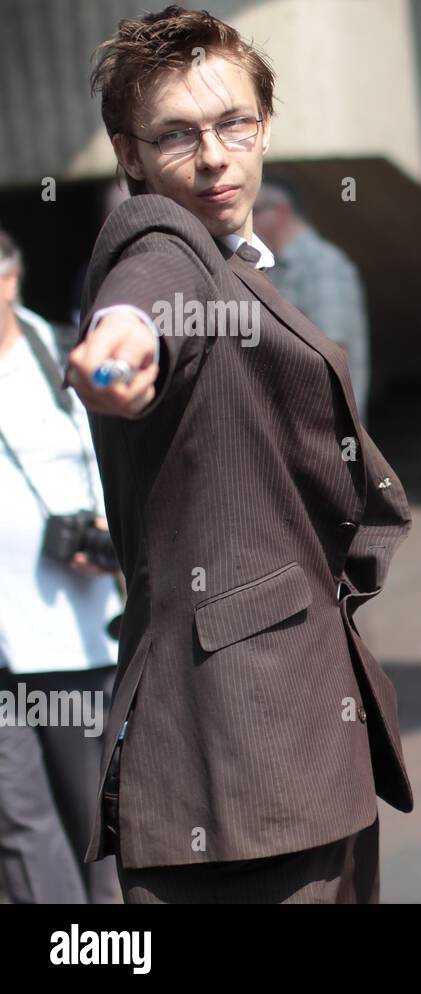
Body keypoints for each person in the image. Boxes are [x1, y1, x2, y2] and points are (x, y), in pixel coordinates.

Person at [64, 5, 412, 903]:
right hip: (236, 757)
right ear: (129, 152)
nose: (213, 156)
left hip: (292, 740)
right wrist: (120, 345)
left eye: (233, 123)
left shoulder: (241, 263)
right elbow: (144, 295)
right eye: (176, 134)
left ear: (265, 125)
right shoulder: (166, 241)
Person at [0, 227, 121, 904]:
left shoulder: (63, 355)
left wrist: (109, 530)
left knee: (94, 820)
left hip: (68, 633)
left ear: (9, 281)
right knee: (16, 822)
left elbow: (112, 444)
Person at [253, 174, 371, 417]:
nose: (243, 222)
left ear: (281, 211)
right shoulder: (279, 266)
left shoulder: (322, 264)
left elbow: (332, 356)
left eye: (252, 211)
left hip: (325, 436)